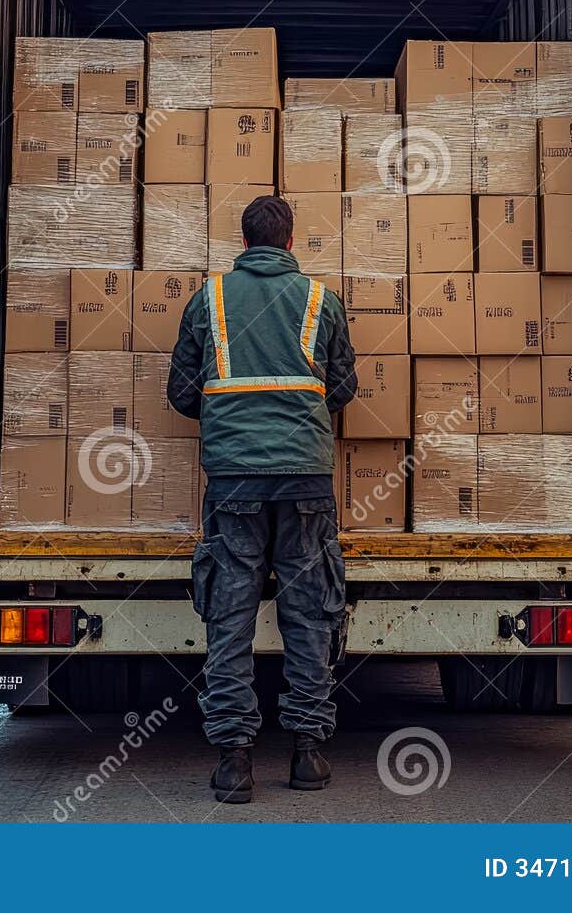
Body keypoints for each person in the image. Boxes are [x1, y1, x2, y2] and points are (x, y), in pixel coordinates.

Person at [166, 194, 358, 804]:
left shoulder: (209, 300)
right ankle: (308, 754)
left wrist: (230, 412)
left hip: (233, 484)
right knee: (308, 616)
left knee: (230, 618)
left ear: (244, 243)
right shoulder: (323, 301)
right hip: (305, 482)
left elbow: (181, 393)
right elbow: (344, 387)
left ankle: (234, 762)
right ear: (291, 243)